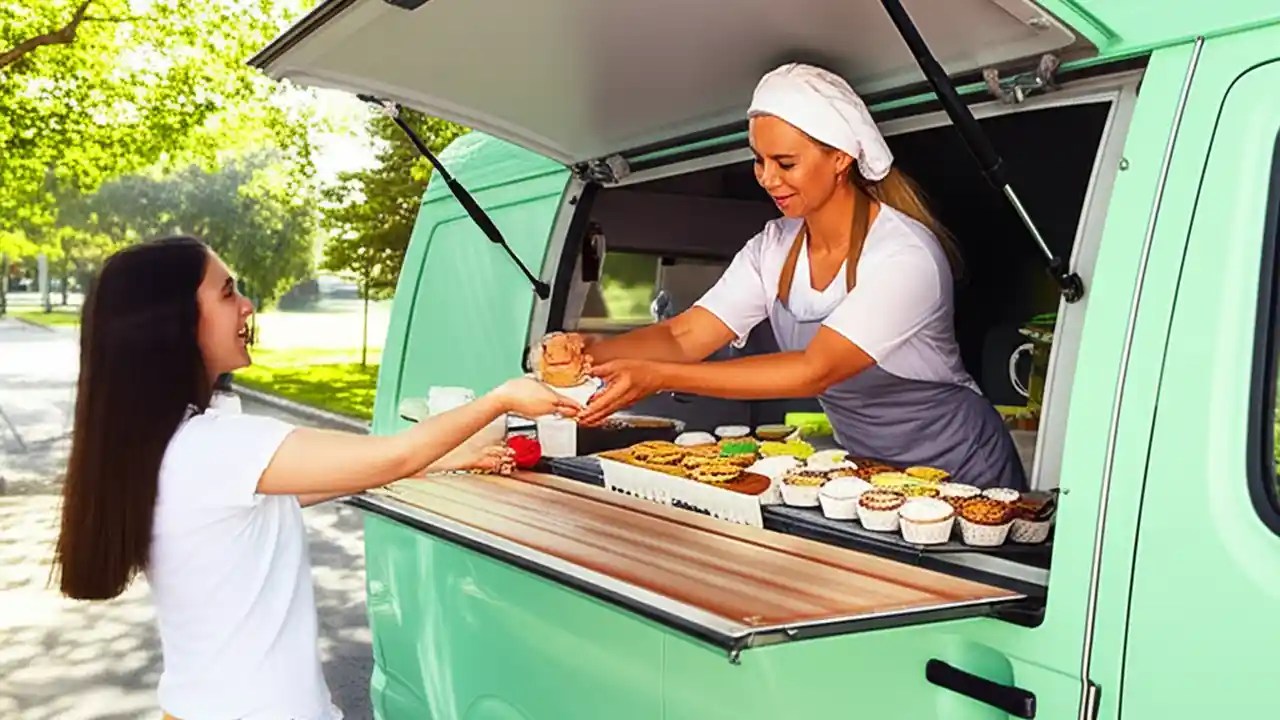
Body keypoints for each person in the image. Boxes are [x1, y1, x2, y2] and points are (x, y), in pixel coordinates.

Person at [52, 236, 581, 720]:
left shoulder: (173, 446)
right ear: (175, 323)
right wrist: (501, 399)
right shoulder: (216, 446)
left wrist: (446, 460)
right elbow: (391, 456)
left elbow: (318, 481)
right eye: (228, 293)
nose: (246, 307)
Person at [573, 63, 1025, 490]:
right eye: (759, 161)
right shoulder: (774, 247)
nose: (767, 179)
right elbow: (683, 335)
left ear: (841, 158)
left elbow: (814, 370)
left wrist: (659, 377)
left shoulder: (904, 255)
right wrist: (587, 353)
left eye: (785, 163)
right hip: (874, 473)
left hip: (964, 469)